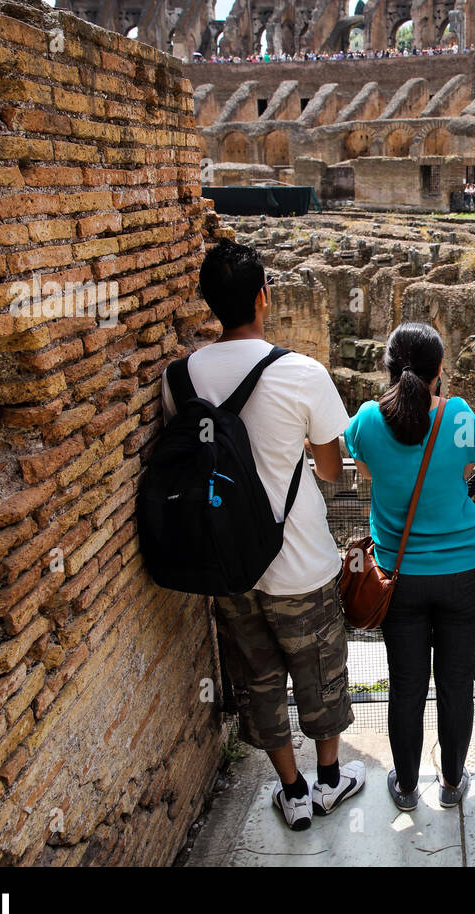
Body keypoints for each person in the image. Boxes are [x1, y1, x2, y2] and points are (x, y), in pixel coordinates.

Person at [162, 239, 365, 832]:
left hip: (226, 563)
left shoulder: (180, 377)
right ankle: (330, 781)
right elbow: (332, 469)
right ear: (263, 298)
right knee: (320, 669)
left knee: (259, 678)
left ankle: (293, 790)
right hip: (299, 557)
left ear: (209, 303)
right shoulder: (302, 373)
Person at [345, 323, 475, 812]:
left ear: (388, 369)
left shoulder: (367, 419)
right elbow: (472, 464)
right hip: (465, 570)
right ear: (439, 372)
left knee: (406, 684)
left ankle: (406, 787)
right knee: (455, 681)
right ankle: (452, 782)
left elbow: (361, 466)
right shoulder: (459, 416)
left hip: (398, 576)